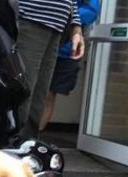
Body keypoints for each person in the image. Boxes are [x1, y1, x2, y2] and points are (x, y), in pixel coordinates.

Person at [12, 0, 85, 142]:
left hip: (56, 26)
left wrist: (76, 27)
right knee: (22, 92)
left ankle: (26, 150)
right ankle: (6, 148)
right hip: (30, 18)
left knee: (39, 97)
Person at [39, 0, 100, 132]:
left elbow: (91, 12)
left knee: (49, 94)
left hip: (66, 50)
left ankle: (33, 138)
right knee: (29, 89)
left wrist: (63, 14)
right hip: (38, 37)